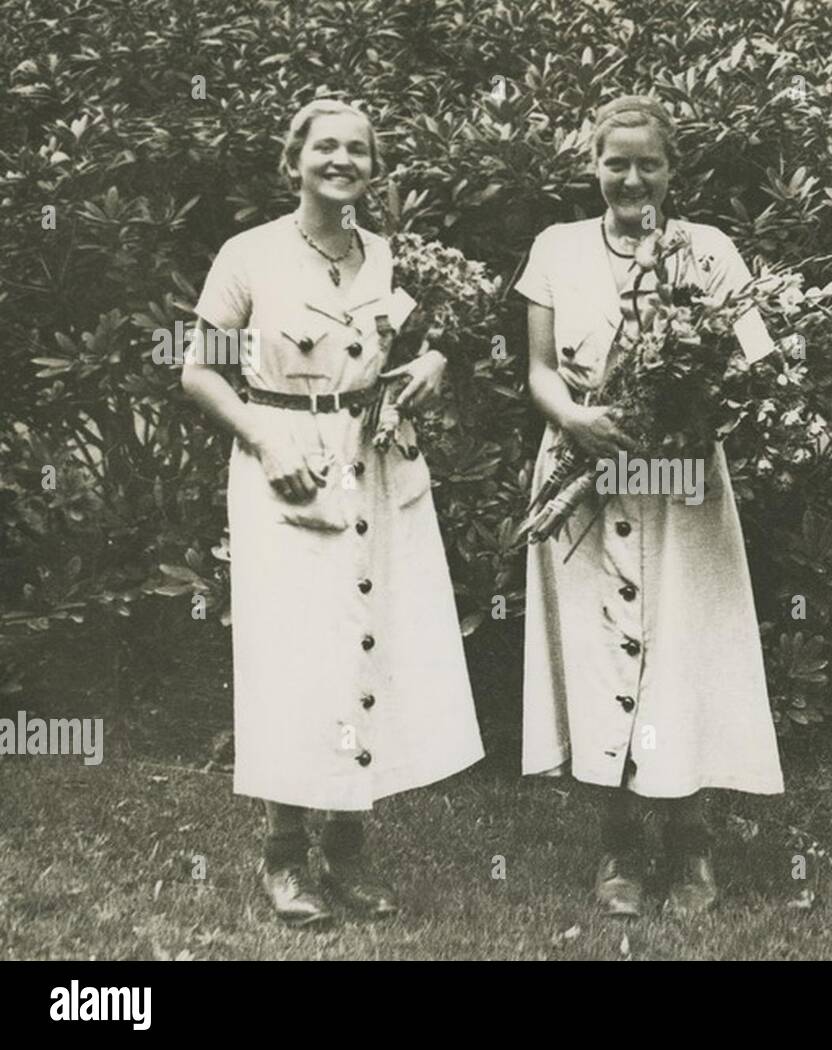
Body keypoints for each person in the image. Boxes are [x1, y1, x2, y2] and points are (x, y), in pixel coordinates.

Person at [181, 99, 483, 927]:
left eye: (357, 149)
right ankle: (284, 859)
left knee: (367, 646)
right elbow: (199, 374)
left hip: (377, 463)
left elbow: (432, 334)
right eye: (326, 147)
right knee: (295, 659)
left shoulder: (388, 255)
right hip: (285, 463)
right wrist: (267, 443)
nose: (341, 159)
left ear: (372, 168)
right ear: (296, 160)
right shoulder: (250, 255)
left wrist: (434, 362)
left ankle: (347, 858)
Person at [515, 95, 784, 920]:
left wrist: (708, 407)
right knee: (601, 653)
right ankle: (621, 846)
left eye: (649, 164)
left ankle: (692, 844)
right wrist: (576, 419)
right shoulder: (556, 248)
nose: (631, 179)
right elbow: (538, 370)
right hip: (583, 466)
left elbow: (757, 359)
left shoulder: (708, 251)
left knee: (682, 650)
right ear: (592, 165)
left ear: (674, 169)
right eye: (615, 163)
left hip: (681, 484)